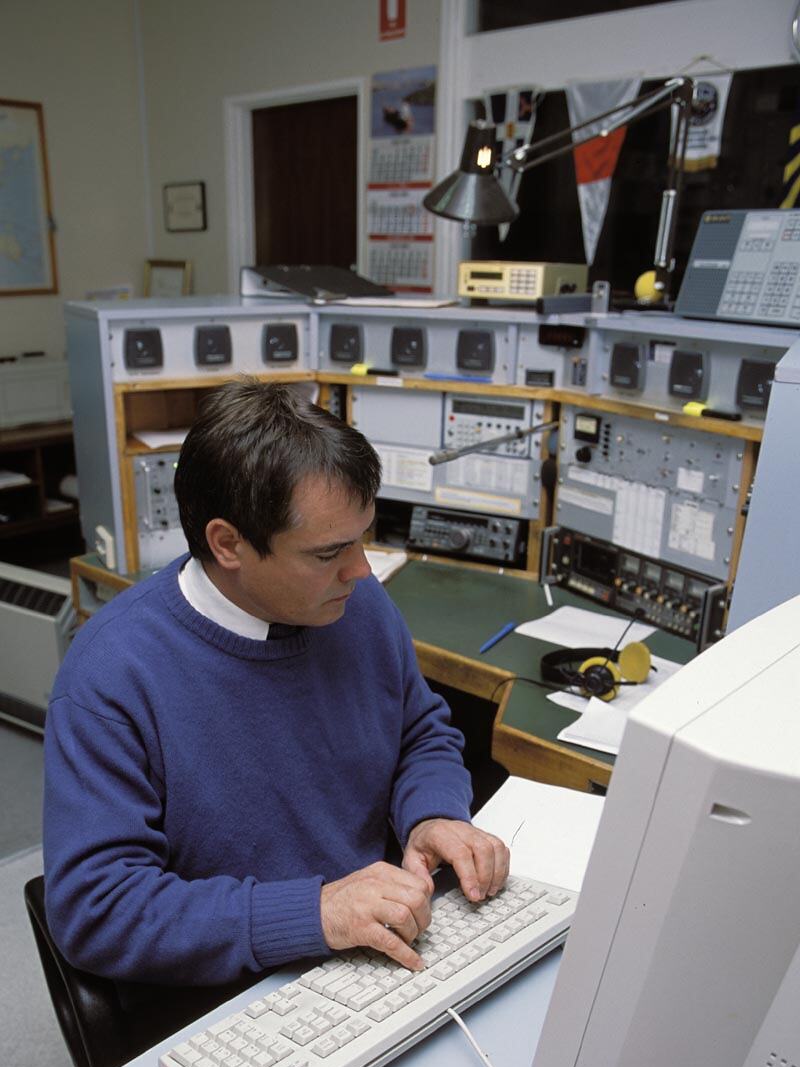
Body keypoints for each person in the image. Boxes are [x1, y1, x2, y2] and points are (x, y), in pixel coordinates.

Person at [43, 380, 509, 1007]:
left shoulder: (357, 603)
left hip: (381, 947)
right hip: (244, 990)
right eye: (329, 552)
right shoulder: (112, 675)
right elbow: (96, 910)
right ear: (228, 544)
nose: (361, 570)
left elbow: (420, 732)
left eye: (363, 537)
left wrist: (433, 814)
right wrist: (315, 912)